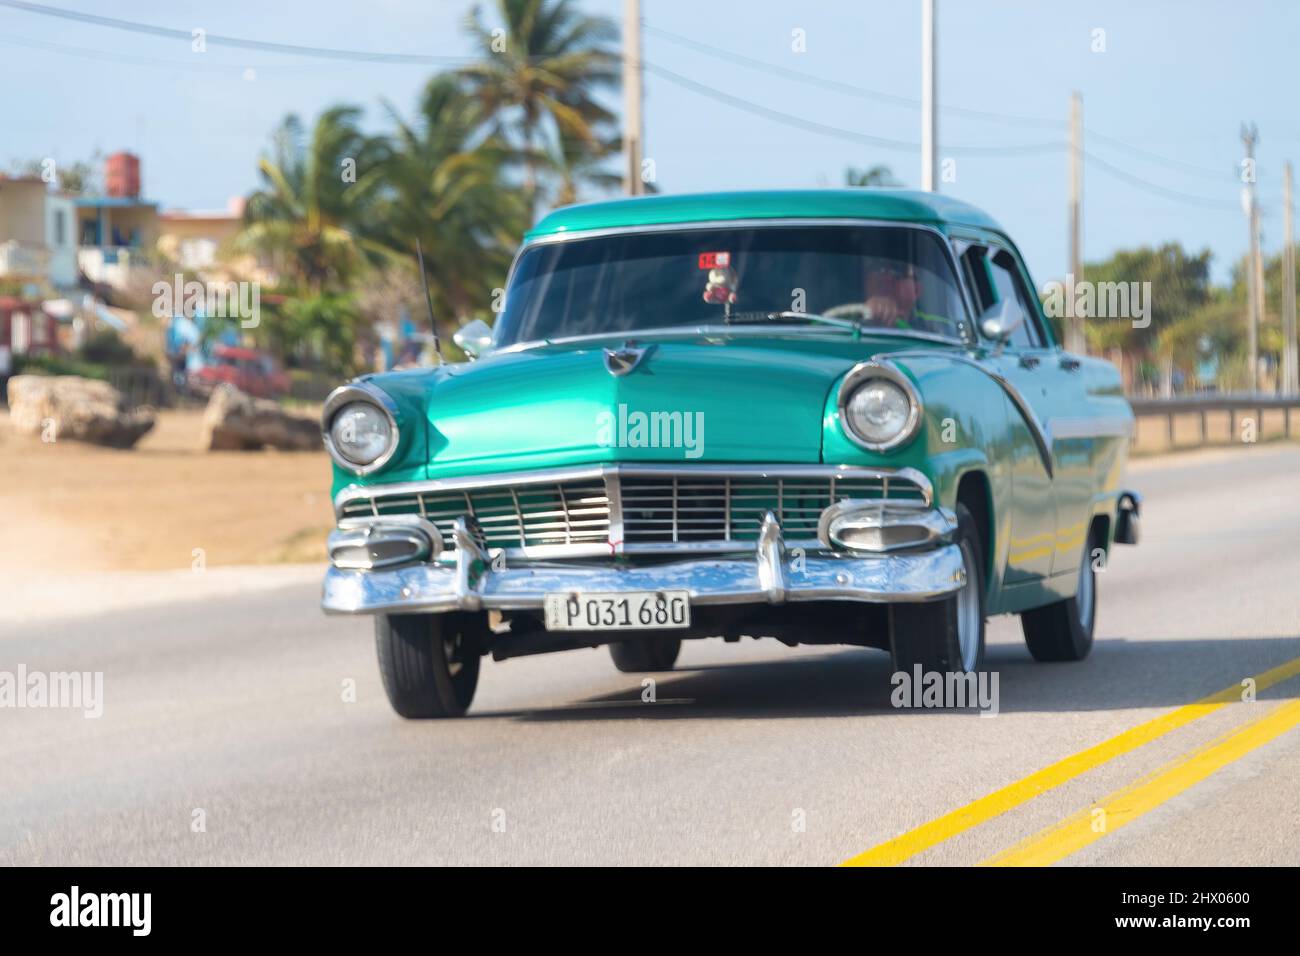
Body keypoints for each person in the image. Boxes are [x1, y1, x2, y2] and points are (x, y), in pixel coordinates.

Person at [862, 262, 958, 337]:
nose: (887, 278)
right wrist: (864, 315)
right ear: (867, 281)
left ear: (916, 289)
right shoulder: (850, 320)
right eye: (879, 269)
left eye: (898, 272)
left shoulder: (939, 328)